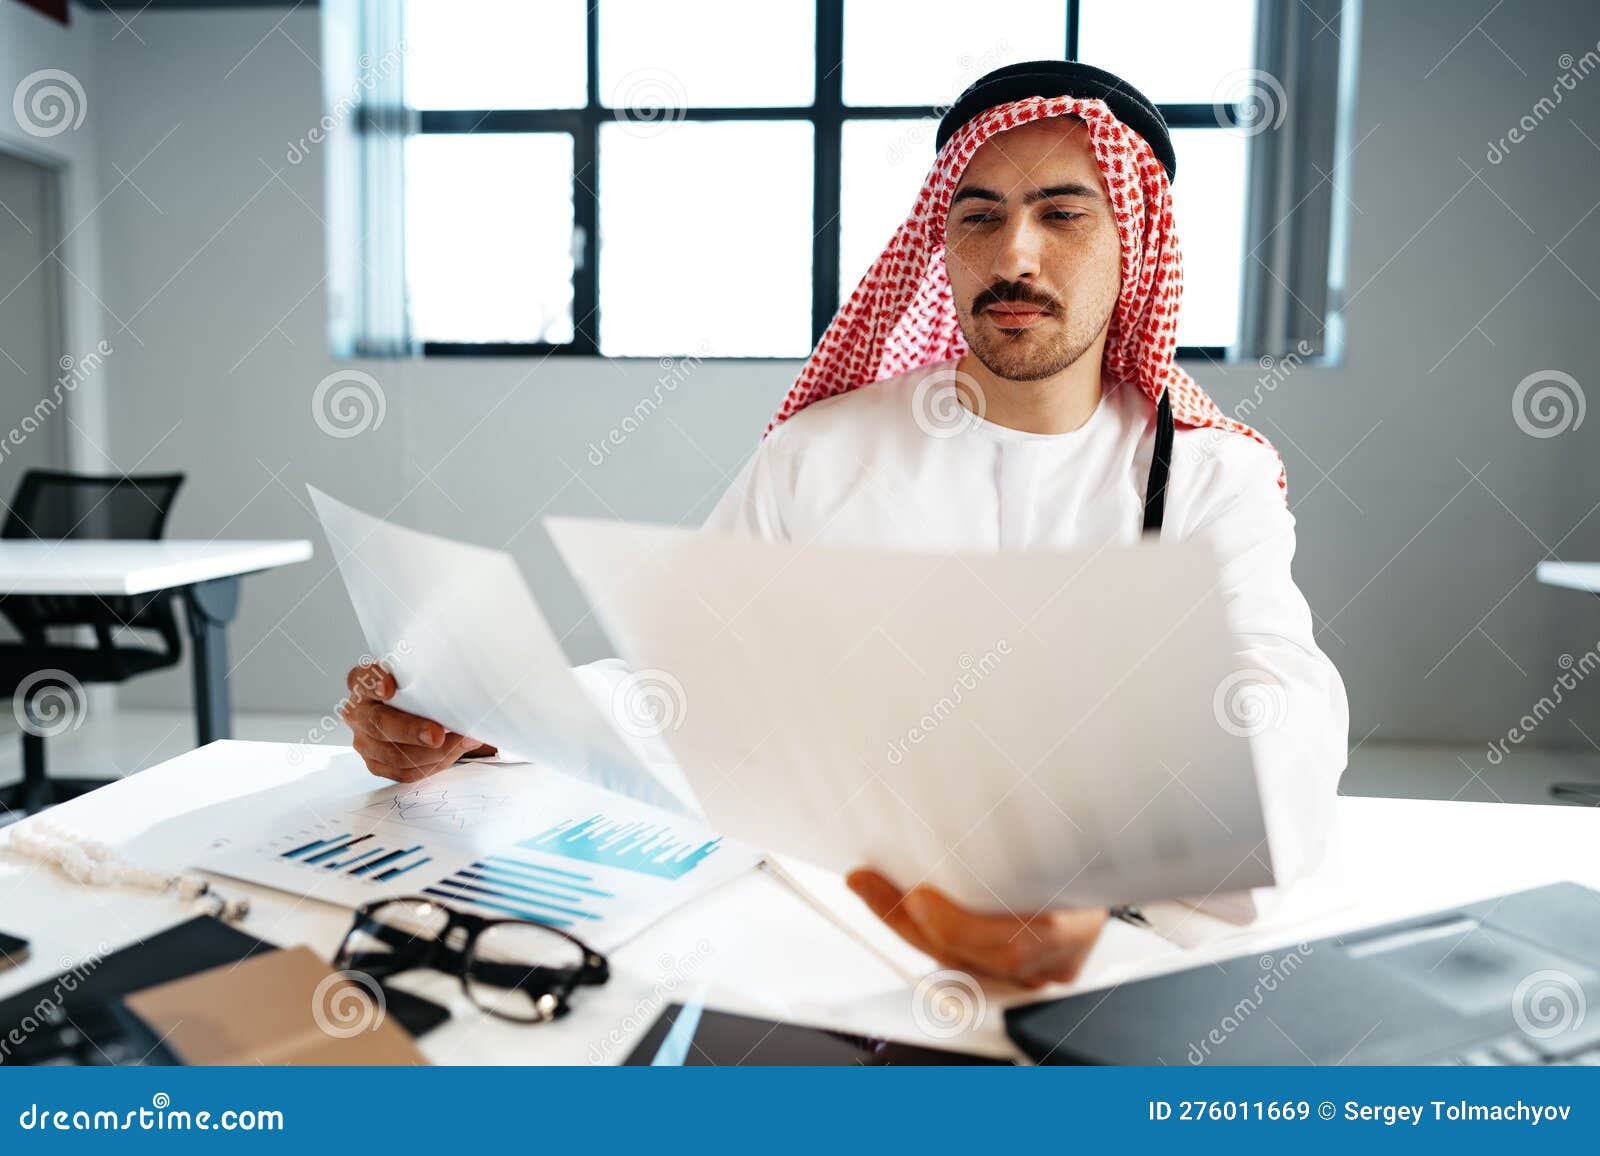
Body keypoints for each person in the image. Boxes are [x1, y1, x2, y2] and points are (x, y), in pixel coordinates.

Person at [341, 61, 1348, 990]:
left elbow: (1283, 717)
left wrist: (1091, 854)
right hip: (822, 944)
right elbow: (690, 690)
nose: (1015, 254)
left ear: (1139, 241)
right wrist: (483, 722)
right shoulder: (818, 454)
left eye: (1063, 214)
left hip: (1108, 965)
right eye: (980, 216)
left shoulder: (1210, 477)